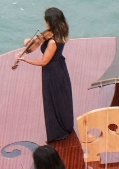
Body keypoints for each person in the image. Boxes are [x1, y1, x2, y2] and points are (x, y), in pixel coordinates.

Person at [12, 8, 74, 143]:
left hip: (52, 72)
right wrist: (32, 41)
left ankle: (58, 131)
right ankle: (65, 123)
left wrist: (24, 59)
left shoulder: (52, 42)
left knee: (52, 100)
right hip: (59, 67)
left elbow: (44, 61)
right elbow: (30, 43)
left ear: (49, 22)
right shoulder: (61, 30)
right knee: (60, 98)